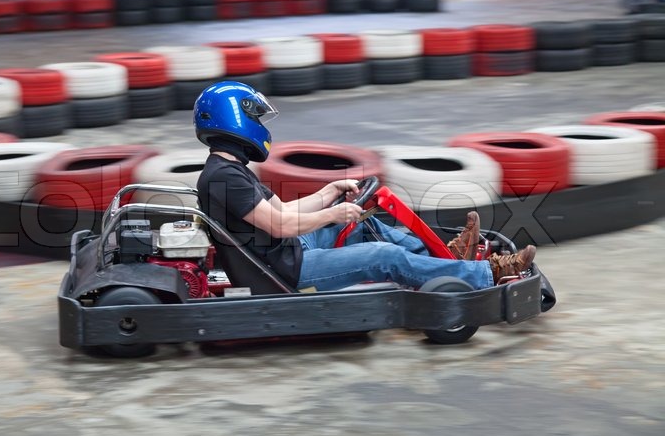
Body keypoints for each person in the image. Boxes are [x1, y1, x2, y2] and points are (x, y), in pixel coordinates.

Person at [195, 81, 536, 292]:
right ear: (235, 118)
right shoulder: (225, 176)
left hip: (286, 251)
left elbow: (281, 212)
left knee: (365, 224)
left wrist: (328, 192)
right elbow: (279, 224)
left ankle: (447, 258)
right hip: (286, 270)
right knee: (383, 256)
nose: (259, 125)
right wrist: (335, 211)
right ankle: (485, 275)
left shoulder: (228, 169)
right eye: (255, 117)